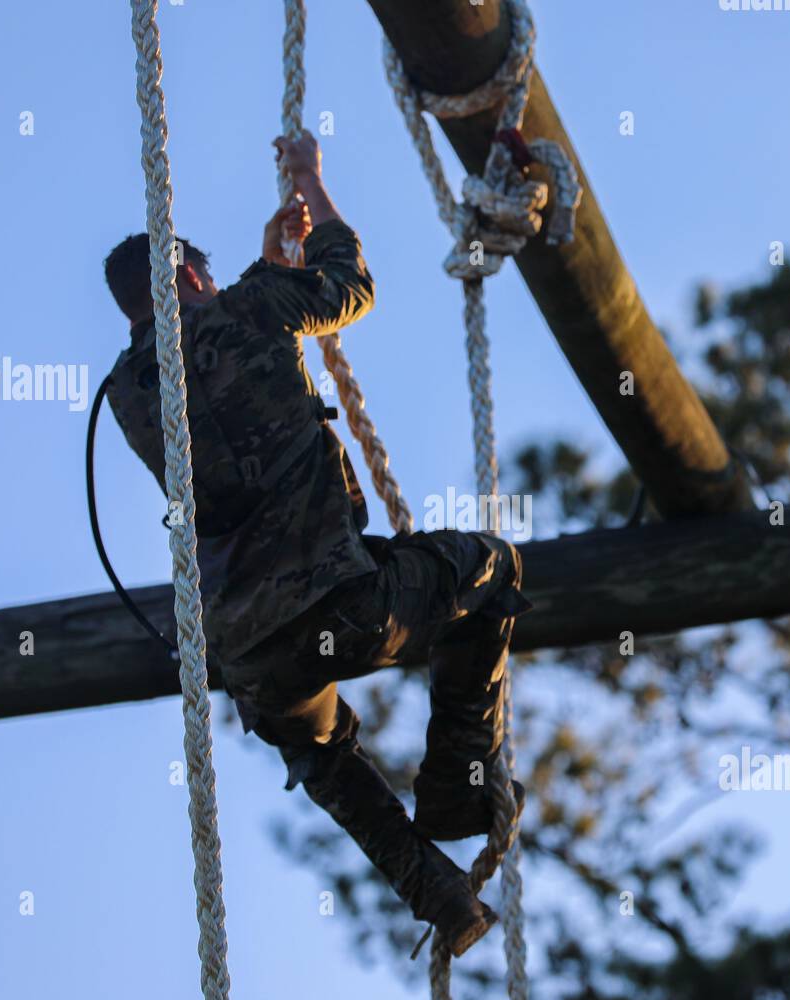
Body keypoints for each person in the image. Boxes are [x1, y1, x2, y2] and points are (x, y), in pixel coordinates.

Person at [101, 131, 529, 957]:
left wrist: (264, 271)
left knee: (326, 755)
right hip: (342, 603)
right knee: (491, 568)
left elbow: (214, 375)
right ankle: (456, 784)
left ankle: (440, 895)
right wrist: (309, 180)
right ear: (190, 276)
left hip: (254, 658)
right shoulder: (251, 306)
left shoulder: (125, 393)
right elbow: (350, 284)